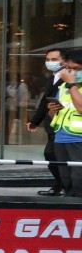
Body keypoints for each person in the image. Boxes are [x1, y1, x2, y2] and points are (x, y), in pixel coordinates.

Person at [28, 48, 65, 196]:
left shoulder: (70, 79)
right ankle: (60, 184)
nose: (50, 63)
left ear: (64, 60)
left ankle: (64, 186)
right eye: (48, 60)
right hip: (54, 123)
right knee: (51, 156)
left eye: (54, 60)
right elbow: (45, 101)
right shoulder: (53, 78)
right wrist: (35, 121)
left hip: (66, 126)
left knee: (56, 156)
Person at [49, 50, 82, 197]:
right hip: (61, 137)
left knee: (78, 177)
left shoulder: (69, 85)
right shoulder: (63, 87)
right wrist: (52, 109)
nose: (72, 72)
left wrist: (71, 84)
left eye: (77, 69)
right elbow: (53, 115)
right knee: (66, 177)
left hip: (78, 139)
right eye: (69, 69)